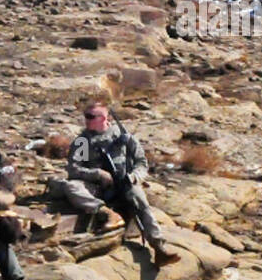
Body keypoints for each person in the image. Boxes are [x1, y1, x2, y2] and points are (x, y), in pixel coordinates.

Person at [57, 102, 181, 267]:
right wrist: (97, 174)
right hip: (96, 186)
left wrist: (134, 177)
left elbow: (142, 163)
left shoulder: (123, 136)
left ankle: (159, 247)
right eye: (86, 116)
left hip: (124, 182)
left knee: (140, 200)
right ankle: (107, 213)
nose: (87, 120)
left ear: (104, 118)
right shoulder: (83, 141)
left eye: (91, 117)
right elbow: (74, 170)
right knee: (71, 186)